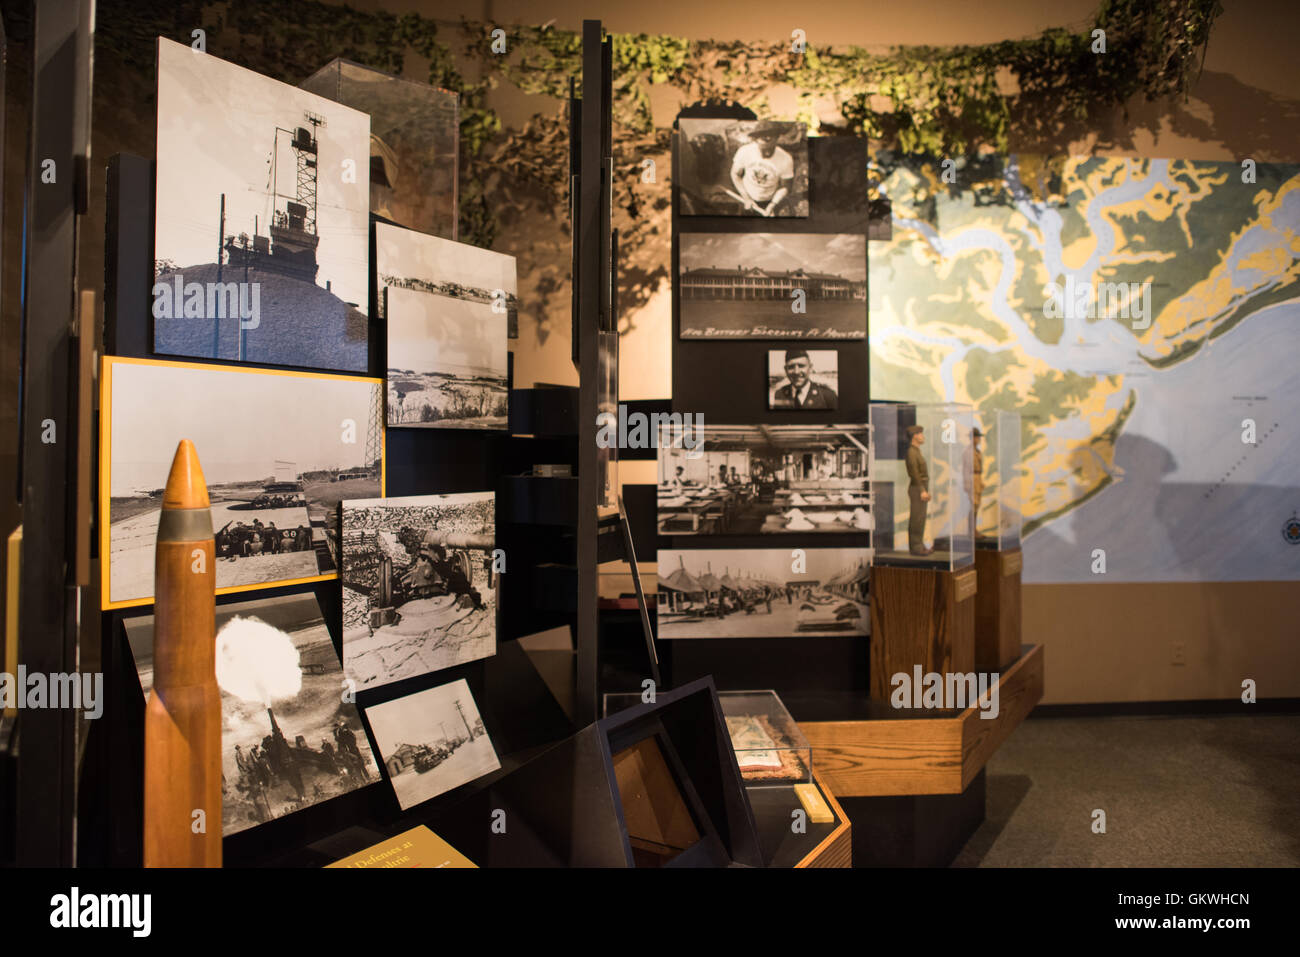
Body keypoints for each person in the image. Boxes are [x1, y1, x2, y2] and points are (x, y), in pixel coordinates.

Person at [731, 121, 794, 216]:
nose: (767, 153)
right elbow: (735, 174)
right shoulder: (744, 151)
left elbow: (785, 186)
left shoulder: (786, 159)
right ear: (755, 140)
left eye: (770, 148)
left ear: (777, 138)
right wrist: (746, 197)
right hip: (746, 195)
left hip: (770, 200)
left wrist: (773, 204)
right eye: (763, 149)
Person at [771, 349, 837, 409]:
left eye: (801, 366)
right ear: (785, 370)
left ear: (810, 368)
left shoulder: (827, 395)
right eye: (791, 367)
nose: (796, 372)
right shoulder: (779, 394)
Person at [906, 425, 932, 555]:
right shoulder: (911, 452)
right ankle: (916, 547)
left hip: (920, 487)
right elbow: (914, 473)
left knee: (920, 518)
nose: (922, 436)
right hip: (917, 488)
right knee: (916, 519)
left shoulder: (916, 451)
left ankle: (920, 545)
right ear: (915, 436)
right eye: (920, 434)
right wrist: (922, 490)